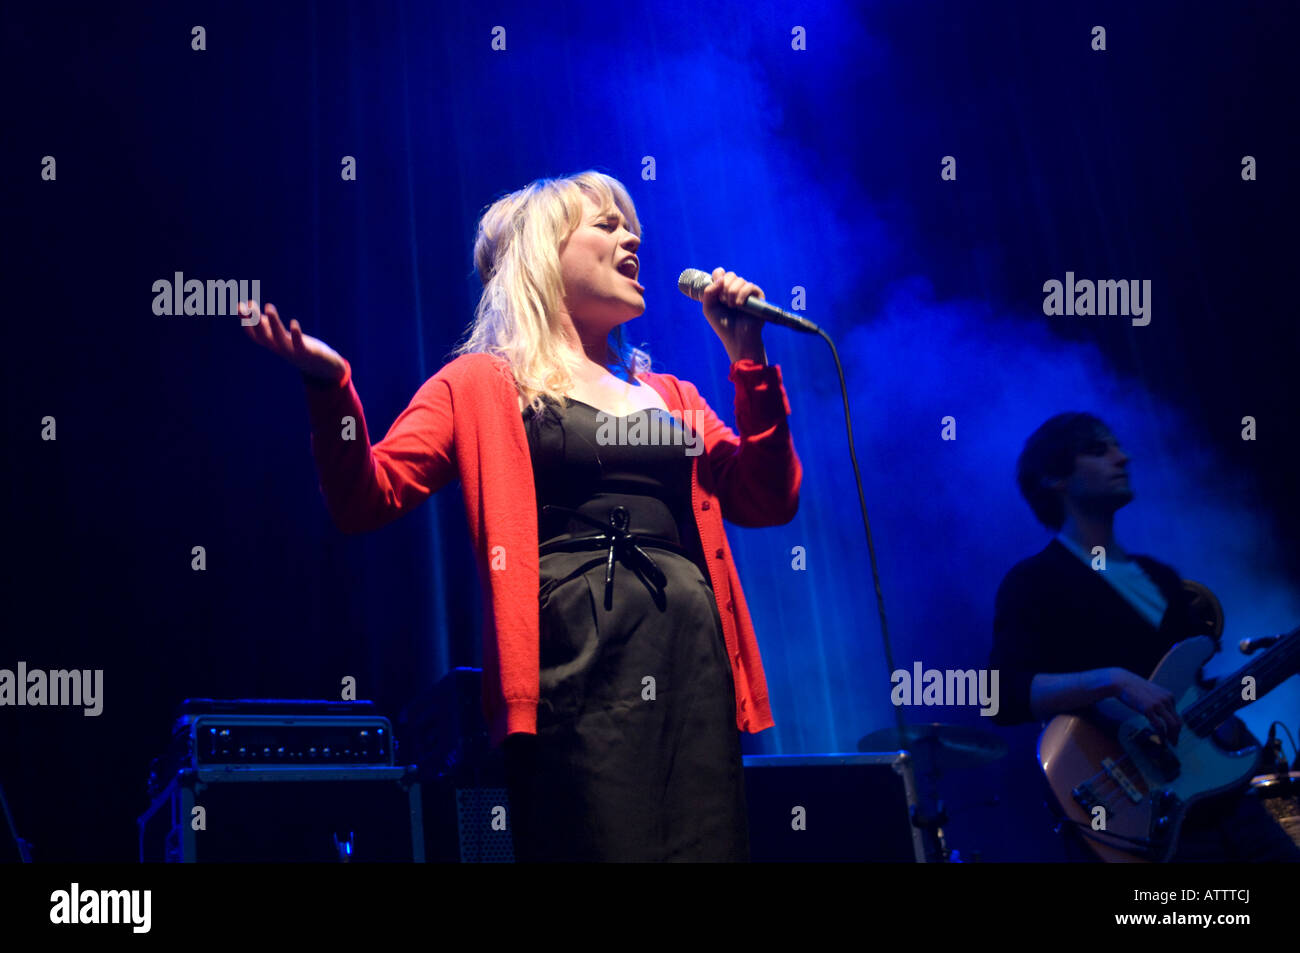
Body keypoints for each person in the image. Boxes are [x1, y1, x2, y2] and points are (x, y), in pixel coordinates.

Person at [239, 170, 802, 861]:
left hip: (692, 669)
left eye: (632, 228)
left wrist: (748, 358)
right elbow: (366, 495)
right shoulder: (480, 383)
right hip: (576, 668)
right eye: (606, 224)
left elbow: (768, 498)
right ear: (544, 254)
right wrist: (331, 391)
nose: (631, 238)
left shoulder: (672, 394)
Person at [988, 412, 1299, 862]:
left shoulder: (1159, 578)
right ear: (1054, 477)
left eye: (1117, 446)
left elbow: (1193, 692)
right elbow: (1001, 694)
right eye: (1099, 450)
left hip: (1223, 801)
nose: (1123, 456)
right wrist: (1114, 680)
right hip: (1139, 814)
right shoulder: (1034, 581)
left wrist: (1232, 717)